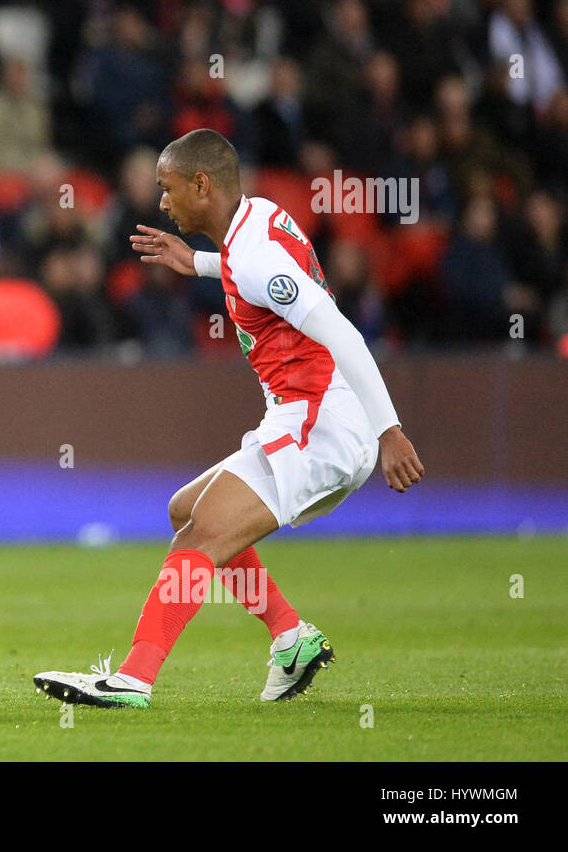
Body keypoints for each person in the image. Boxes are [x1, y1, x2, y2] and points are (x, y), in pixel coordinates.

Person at [34, 129, 424, 707]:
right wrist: (196, 262)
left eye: (168, 190)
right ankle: (291, 637)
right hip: (298, 415)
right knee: (185, 509)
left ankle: (134, 678)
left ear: (201, 185)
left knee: (204, 533)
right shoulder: (257, 221)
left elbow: (343, 332)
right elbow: (251, 270)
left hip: (320, 423)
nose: (161, 203)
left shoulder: (259, 259)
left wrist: (389, 431)